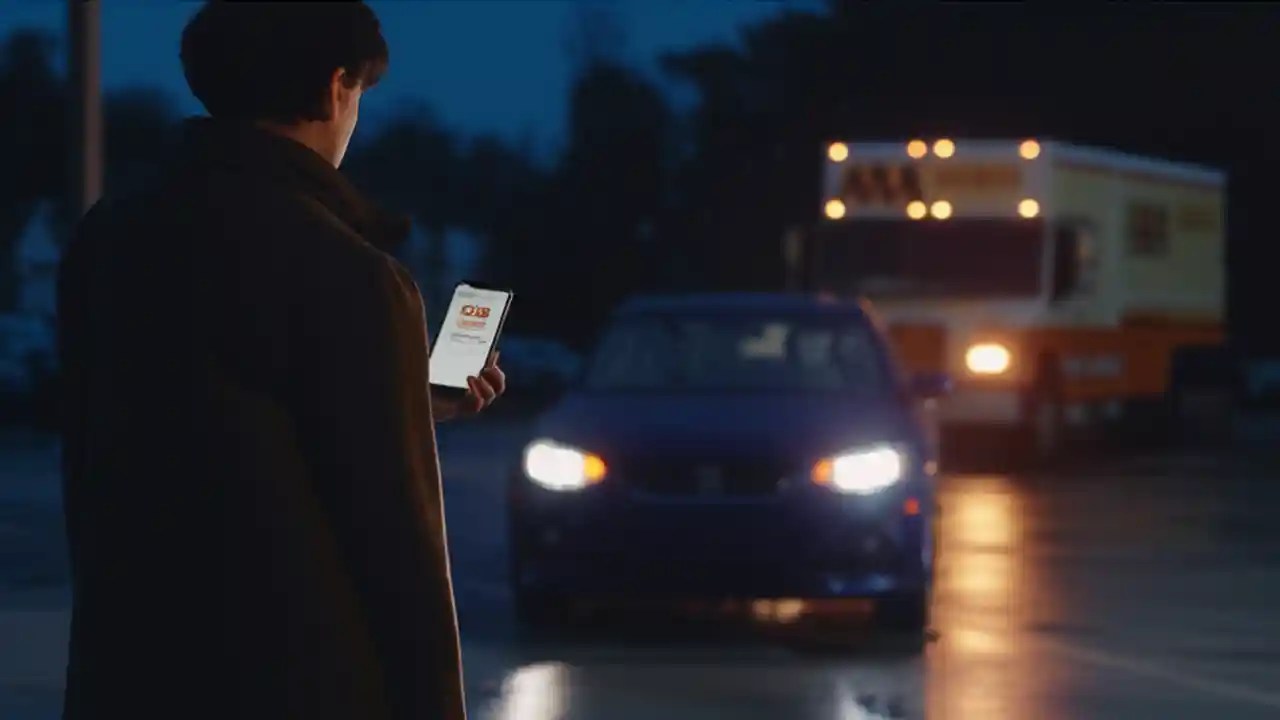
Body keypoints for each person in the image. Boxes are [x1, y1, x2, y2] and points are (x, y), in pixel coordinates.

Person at [56, 3, 502, 718]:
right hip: (300, 685)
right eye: (359, 93)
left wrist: (408, 399)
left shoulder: (109, 239)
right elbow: (400, 561)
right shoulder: (351, 273)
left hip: (129, 670)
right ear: (335, 87)